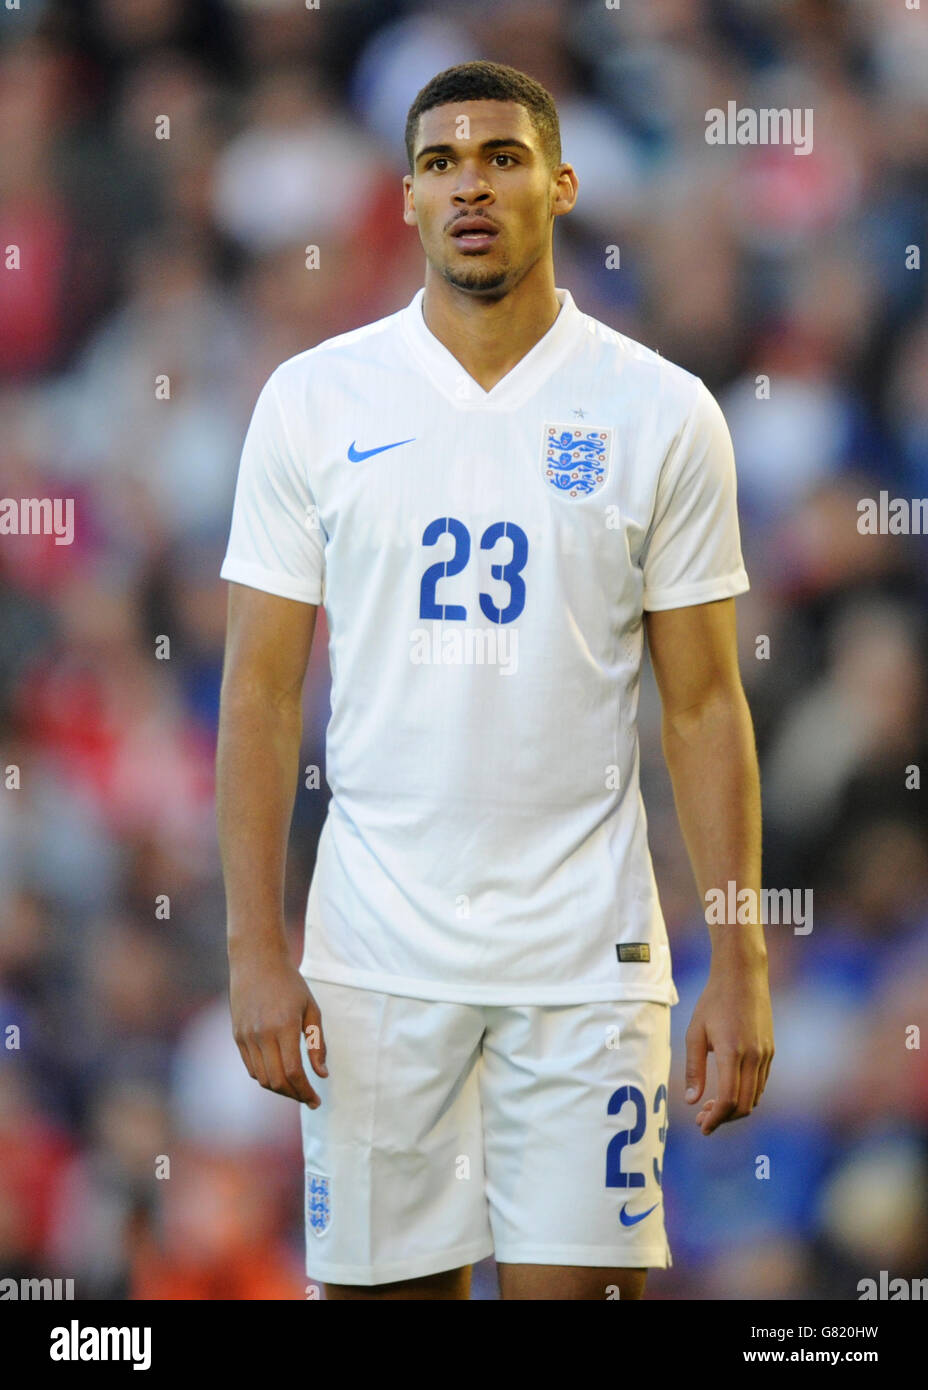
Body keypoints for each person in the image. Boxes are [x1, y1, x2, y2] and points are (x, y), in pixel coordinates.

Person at [216, 60, 774, 1302]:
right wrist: (256, 942)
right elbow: (257, 691)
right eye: (440, 162)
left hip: (588, 955)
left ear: (561, 185)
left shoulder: (662, 413)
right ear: (406, 200)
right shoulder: (312, 401)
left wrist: (738, 959)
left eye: (502, 157)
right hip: (373, 953)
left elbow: (700, 704)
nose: (471, 183)